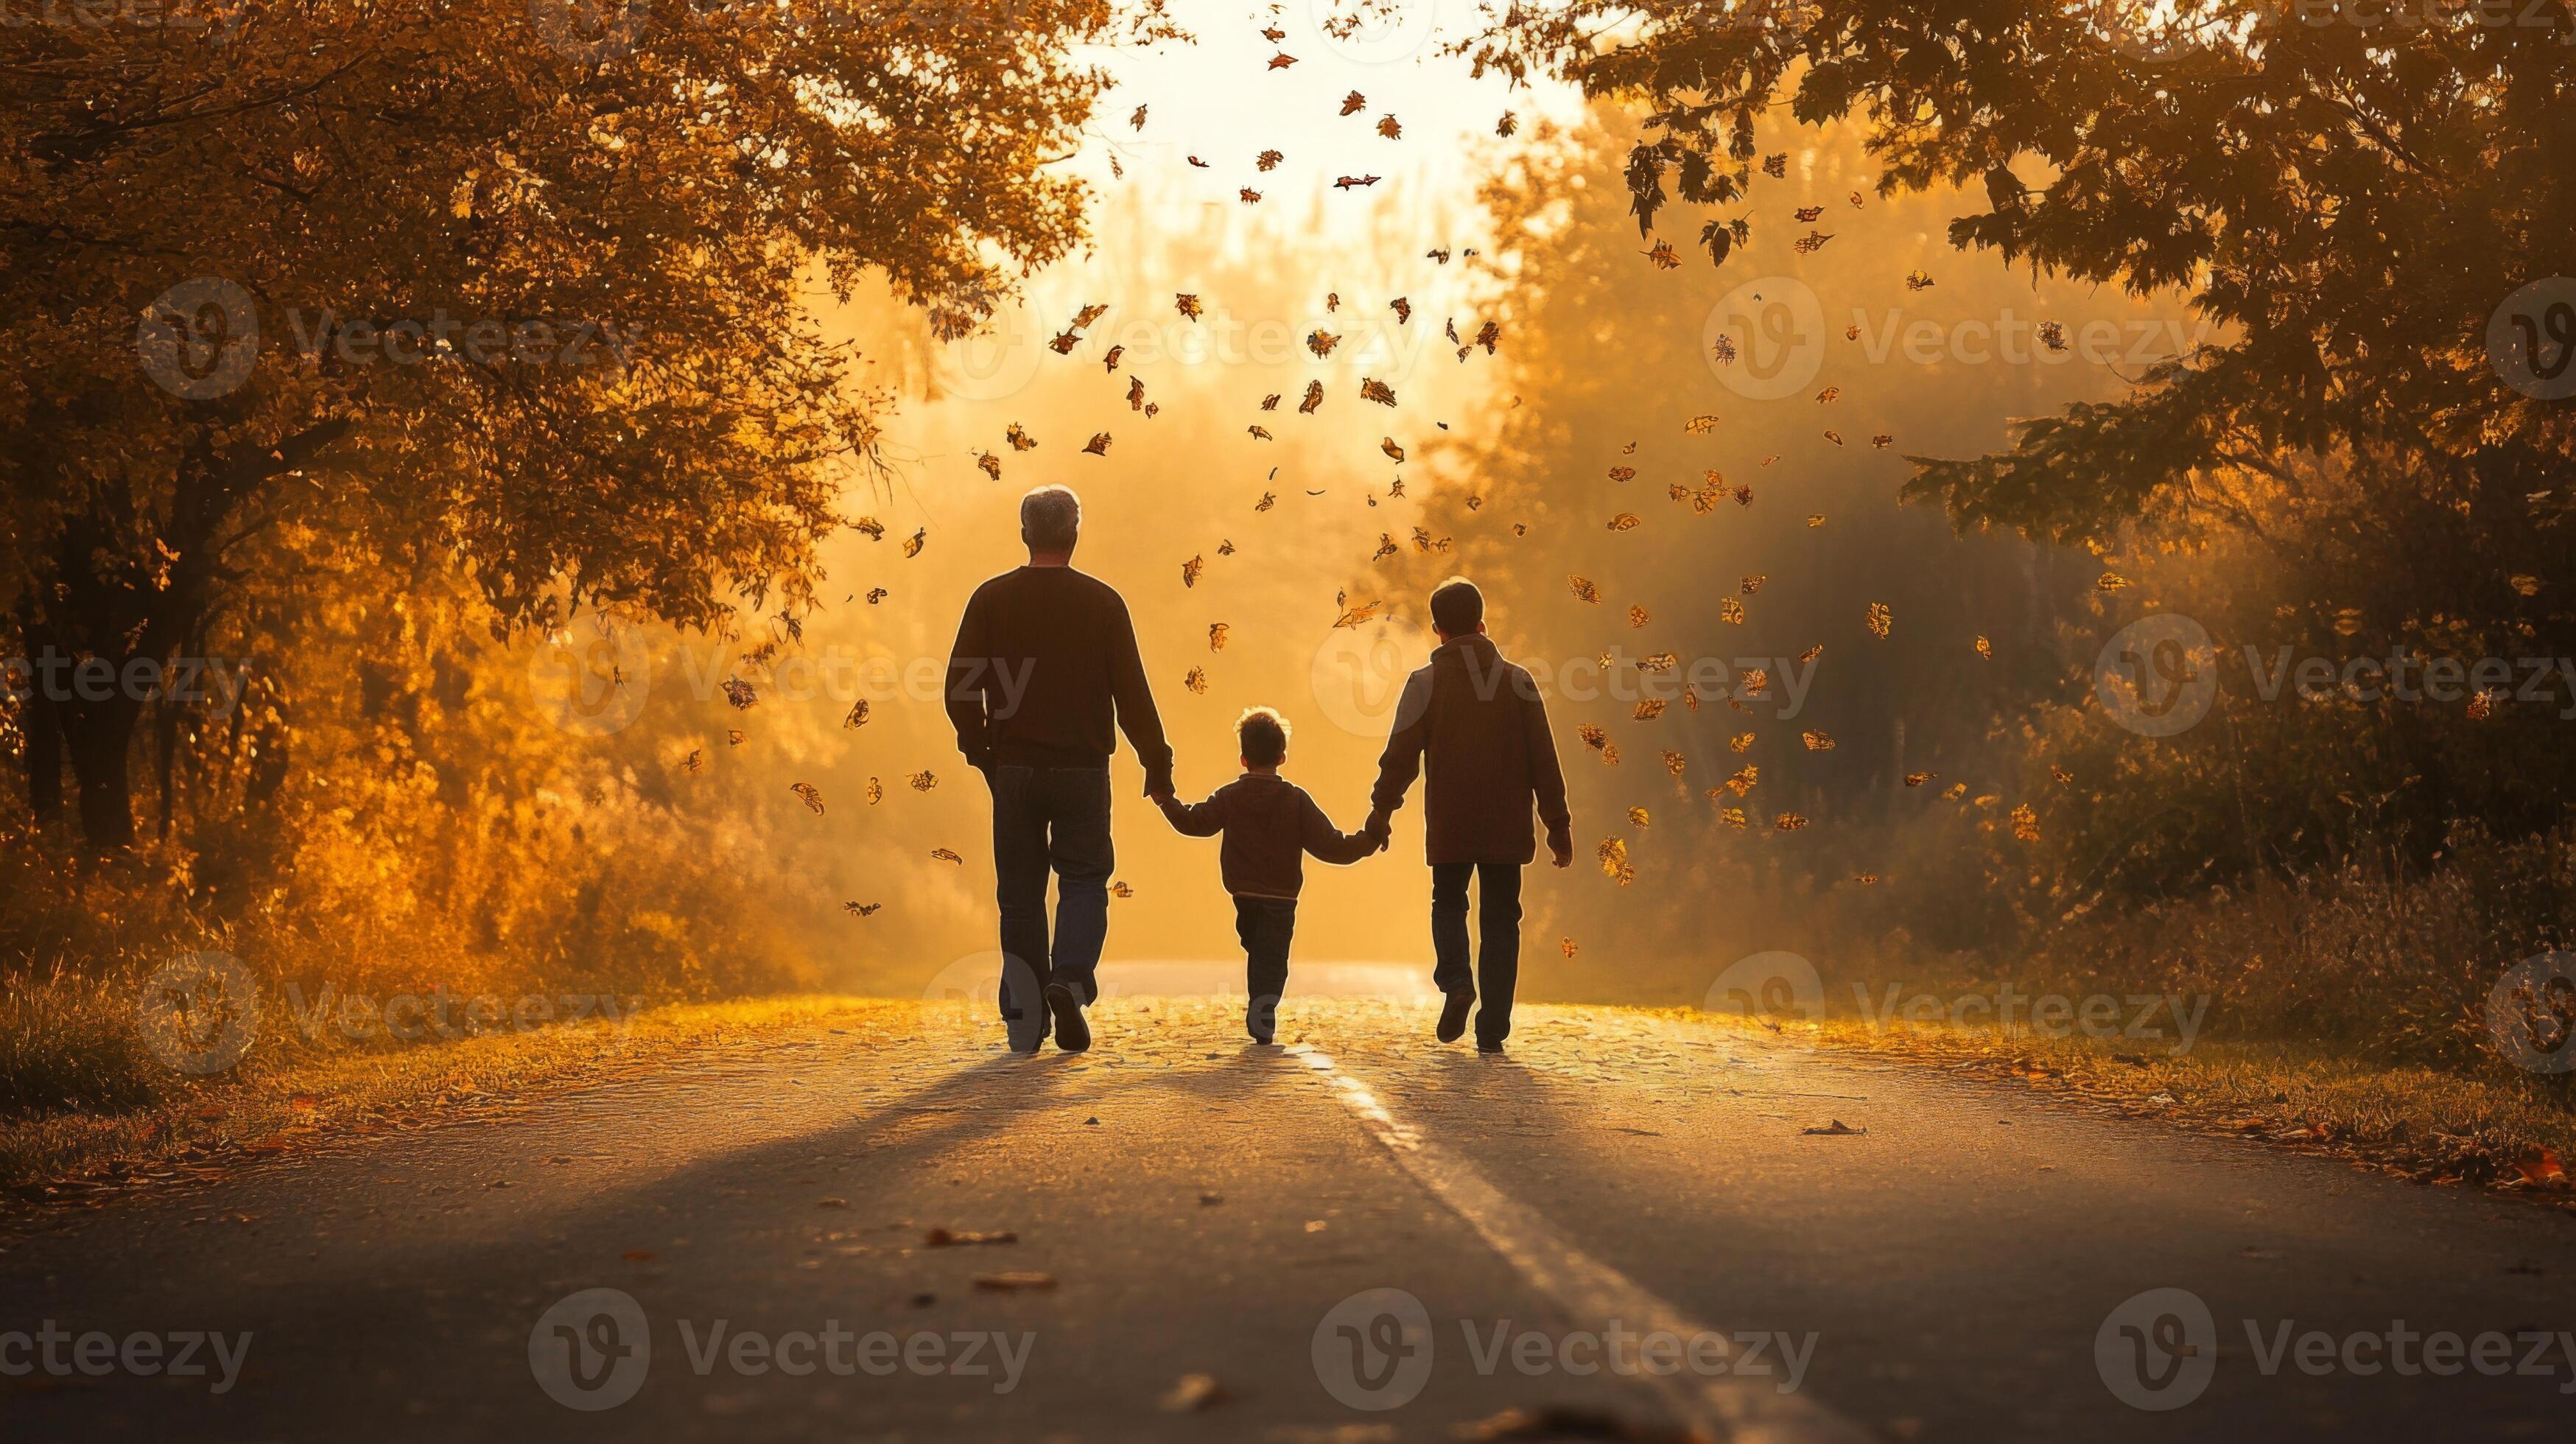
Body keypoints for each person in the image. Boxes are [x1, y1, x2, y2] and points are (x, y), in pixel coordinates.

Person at [944, 485, 1173, 1053]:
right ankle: (1068, 981)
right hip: (1082, 770)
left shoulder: (991, 600)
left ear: (1025, 533)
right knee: (1083, 881)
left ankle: (1023, 1018)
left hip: (1015, 767)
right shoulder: (1102, 603)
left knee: (1019, 895)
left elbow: (958, 689)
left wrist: (983, 754)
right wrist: (1156, 762)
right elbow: (1132, 695)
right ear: (1074, 533)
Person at [1363, 578, 1572, 1051]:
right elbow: (1544, 758)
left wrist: (1381, 811)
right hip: (1507, 826)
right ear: (1482, 624)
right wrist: (1558, 825)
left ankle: (1458, 981)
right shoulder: (1518, 681)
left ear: (1437, 630)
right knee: (1502, 919)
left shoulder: (1425, 683)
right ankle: (1493, 1027)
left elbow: (1400, 757)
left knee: (1449, 903)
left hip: (1451, 823)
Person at [1157, 707, 1383, 1044]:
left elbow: (1195, 823)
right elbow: (1331, 845)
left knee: (1256, 947)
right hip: (1281, 896)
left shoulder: (1230, 797)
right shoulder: (1295, 800)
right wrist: (1369, 839)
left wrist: (1166, 801)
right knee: (1272, 956)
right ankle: (1264, 1008)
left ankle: (1259, 1008)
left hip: (1243, 893)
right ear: (1282, 756)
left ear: (1243, 758)